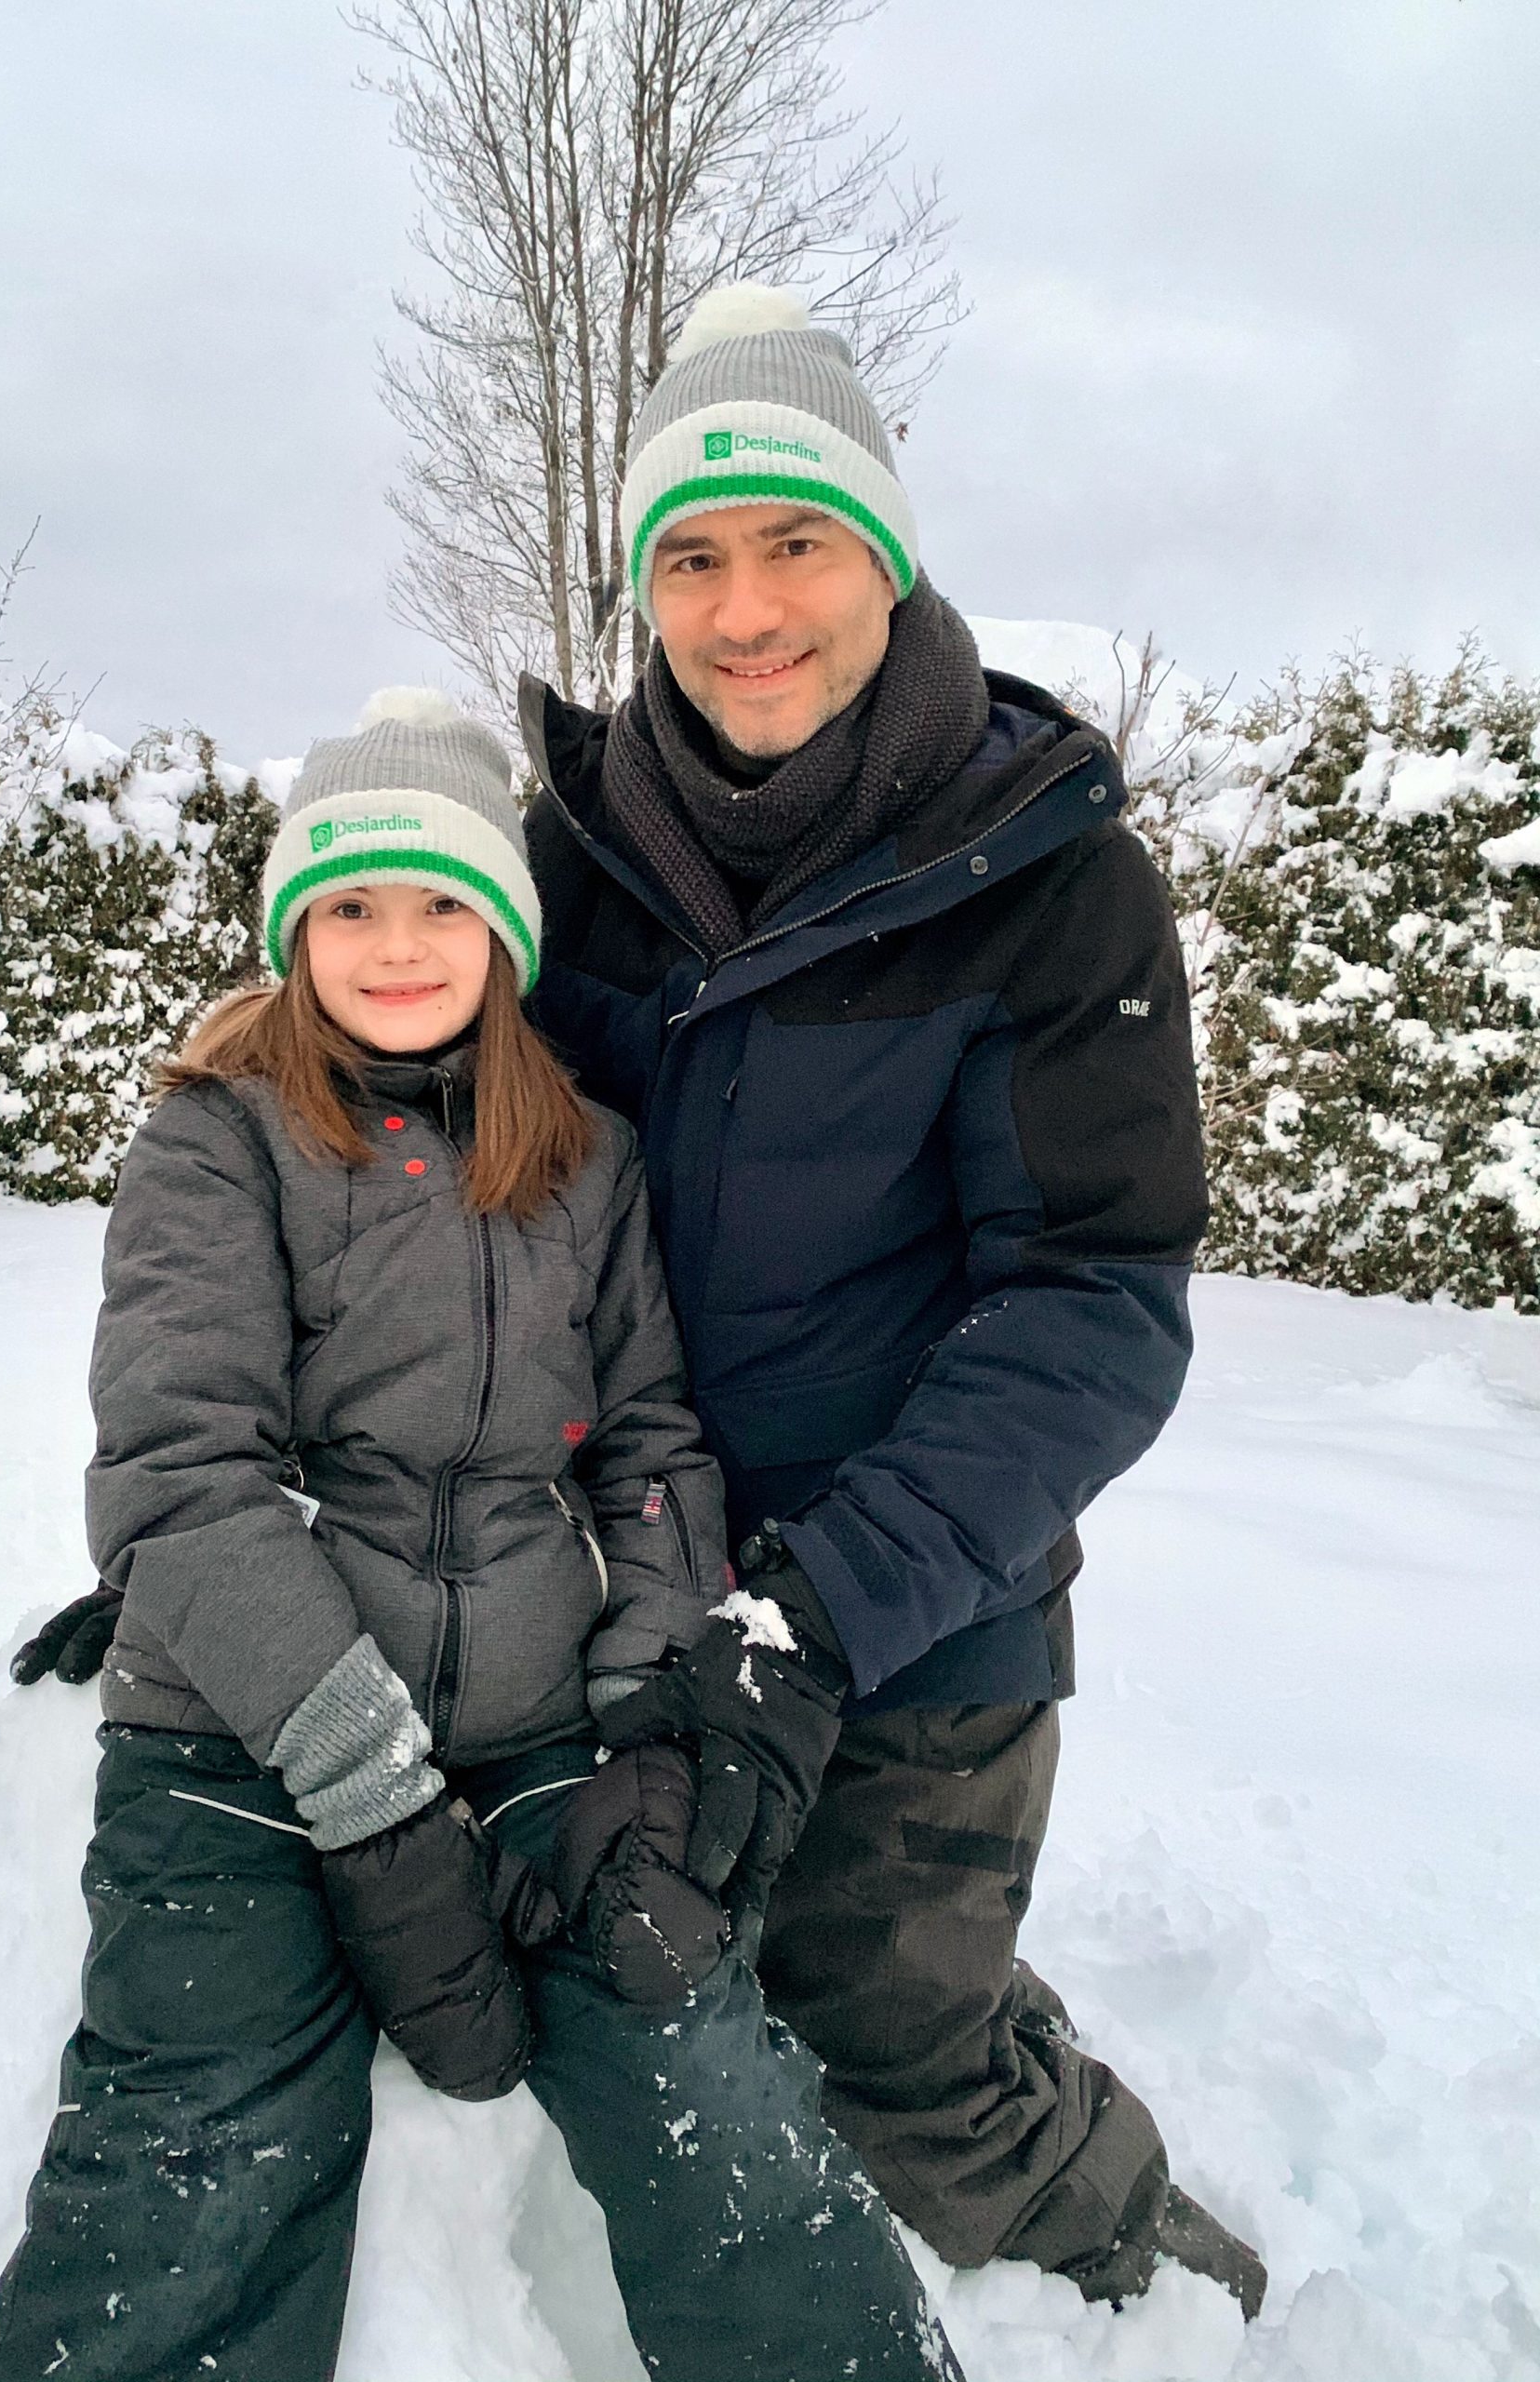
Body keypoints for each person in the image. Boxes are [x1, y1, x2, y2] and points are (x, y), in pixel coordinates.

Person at [0, 690, 957, 2382]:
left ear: (504, 931)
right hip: (238, 1741)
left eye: (441, 901)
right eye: (349, 904)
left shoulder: (585, 1163)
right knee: (191, 2144)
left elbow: (650, 1454)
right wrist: (364, 1791)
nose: (397, 943)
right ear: (295, 930)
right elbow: (176, 1467)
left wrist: (647, 1723)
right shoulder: (217, 1139)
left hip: (532, 1735)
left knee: (708, 2081)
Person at [513, 285, 1268, 2318]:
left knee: (887, 2056)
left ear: (888, 555)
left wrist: (823, 1610)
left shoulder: (1050, 877)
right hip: (621, 1576)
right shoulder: (565, 866)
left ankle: (1159, 2277)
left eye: (797, 543)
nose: (745, 607)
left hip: (917, 1608)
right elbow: (427, 1182)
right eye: (691, 555)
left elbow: (1100, 1299)